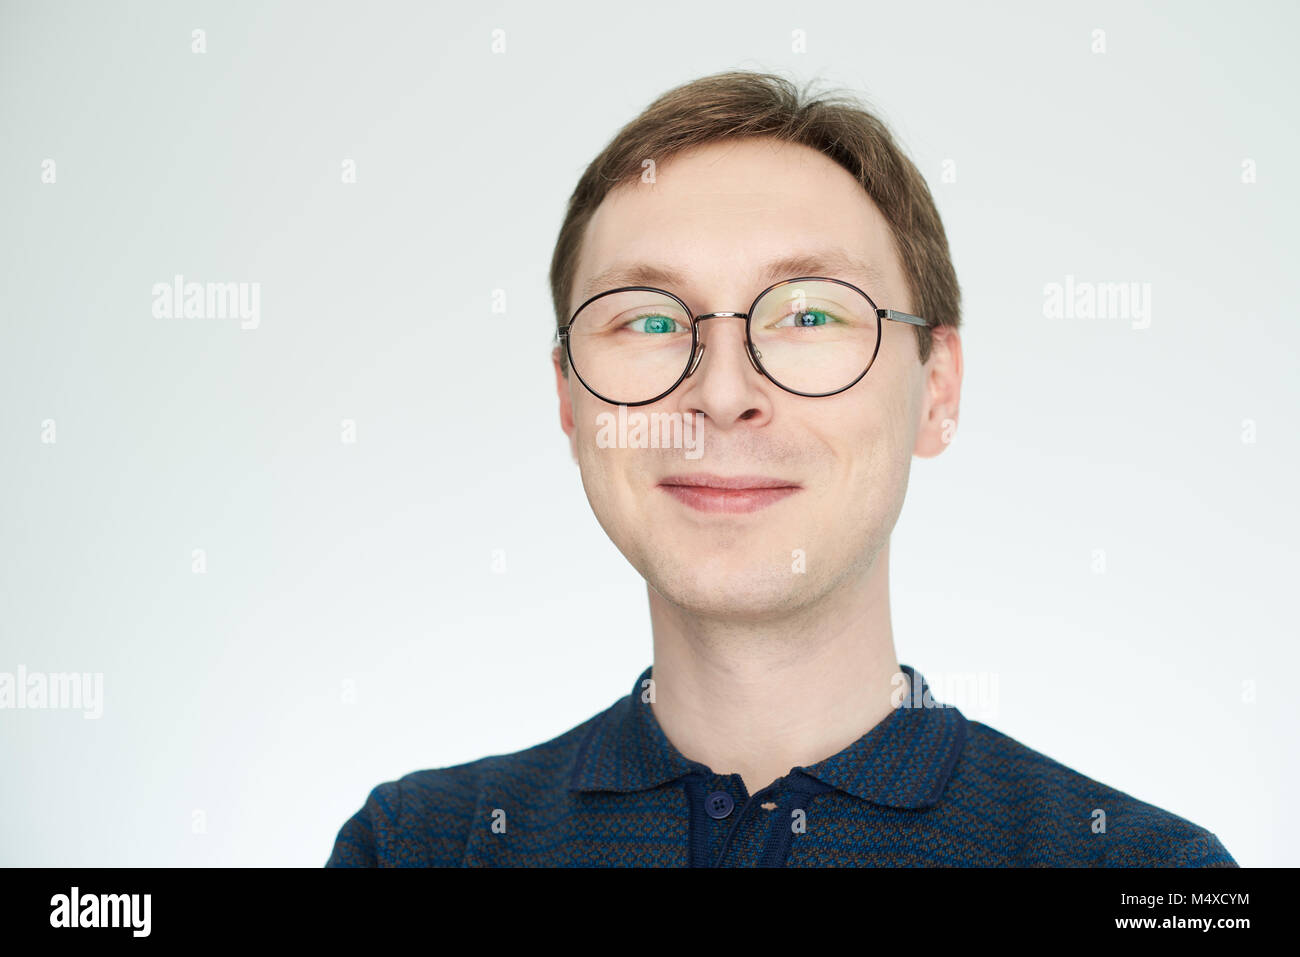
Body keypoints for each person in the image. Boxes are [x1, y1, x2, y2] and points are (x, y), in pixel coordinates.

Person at [326, 70, 1236, 867]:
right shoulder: (416, 846)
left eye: (808, 316)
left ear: (937, 389)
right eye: (648, 320)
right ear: (570, 400)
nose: (723, 395)